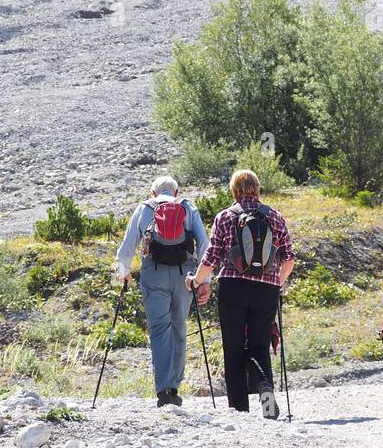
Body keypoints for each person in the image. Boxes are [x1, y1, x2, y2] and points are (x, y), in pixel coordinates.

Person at [189, 170, 294, 418]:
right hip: (266, 289)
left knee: (233, 348)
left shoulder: (225, 217)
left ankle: (239, 410)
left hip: (233, 287)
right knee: (259, 346)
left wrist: (196, 280)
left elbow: (211, 257)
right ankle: (265, 391)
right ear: (257, 189)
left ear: (234, 191)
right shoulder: (275, 217)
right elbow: (289, 258)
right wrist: (276, 283)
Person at [114, 176, 207, 407]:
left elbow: (128, 246)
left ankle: (162, 390)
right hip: (184, 276)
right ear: (177, 192)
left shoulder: (144, 208)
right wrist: (205, 280)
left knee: (159, 330)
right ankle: (174, 386)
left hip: (153, 274)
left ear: (153, 193)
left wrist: (123, 272)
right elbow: (205, 243)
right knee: (179, 327)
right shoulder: (188, 207)